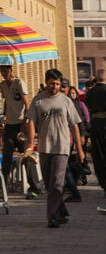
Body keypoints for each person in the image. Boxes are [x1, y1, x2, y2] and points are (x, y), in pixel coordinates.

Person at [26, 69, 84, 228]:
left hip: (62, 147)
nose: (55, 86)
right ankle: (61, 211)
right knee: (49, 184)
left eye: (58, 84)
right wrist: (30, 144)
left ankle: (52, 216)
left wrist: (79, 149)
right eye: (52, 83)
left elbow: (74, 125)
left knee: (57, 183)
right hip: (45, 147)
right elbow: (30, 122)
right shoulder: (38, 100)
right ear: (46, 82)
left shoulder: (66, 101)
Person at [0, 64, 29, 188]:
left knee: (25, 155)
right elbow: (7, 101)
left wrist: (25, 124)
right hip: (9, 125)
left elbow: (27, 104)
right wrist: (5, 115)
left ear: (11, 70)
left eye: (6, 70)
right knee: (6, 155)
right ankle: (4, 185)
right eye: (1, 70)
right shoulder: (3, 85)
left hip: (20, 124)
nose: (4, 72)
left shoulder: (19, 83)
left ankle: (32, 184)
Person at [83, 67, 106, 196]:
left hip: (95, 126)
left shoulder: (90, 93)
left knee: (98, 155)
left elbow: (88, 107)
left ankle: (103, 183)